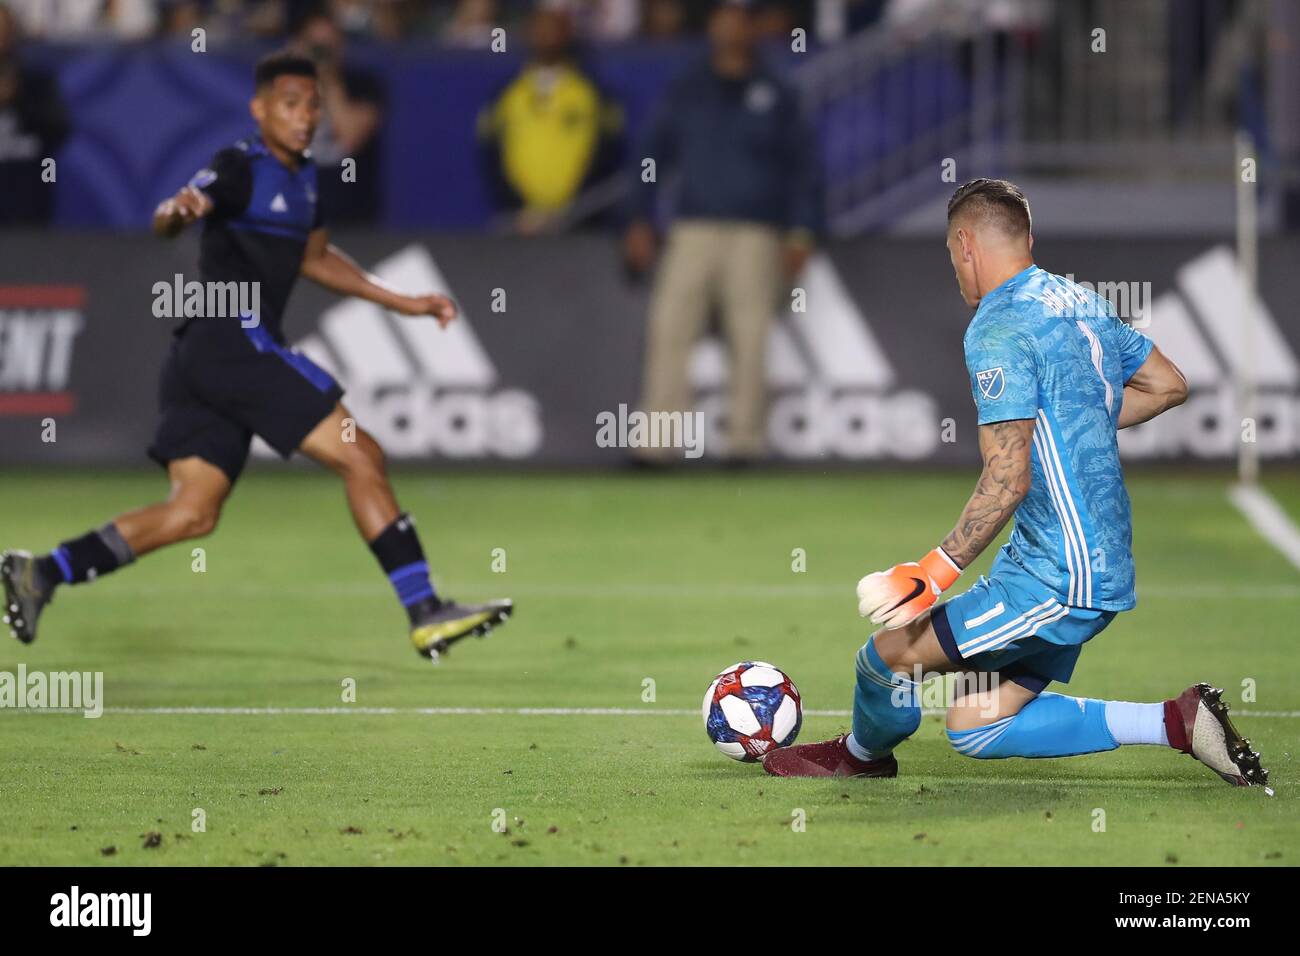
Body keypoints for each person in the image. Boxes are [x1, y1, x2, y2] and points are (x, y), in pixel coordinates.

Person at [1, 52, 512, 663]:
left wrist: (402, 302)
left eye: (312, 105)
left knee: (191, 514)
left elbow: (316, 259)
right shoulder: (240, 166)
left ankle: (43, 573)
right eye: (290, 105)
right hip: (231, 341)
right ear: (261, 108)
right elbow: (183, 209)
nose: (304, 117)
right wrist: (175, 212)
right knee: (361, 453)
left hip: (199, 359)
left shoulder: (304, 181)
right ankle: (426, 610)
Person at [763, 179, 1269, 789]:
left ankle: (861, 758)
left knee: (887, 658)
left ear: (965, 243)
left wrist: (934, 572)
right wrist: (1075, 418)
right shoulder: (1080, 301)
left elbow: (1007, 477)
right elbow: (1168, 384)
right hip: (1087, 558)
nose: (955, 270)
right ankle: (1179, 723)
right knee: (977, 724)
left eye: (952, 256)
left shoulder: (997, 326)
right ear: (1026, 240)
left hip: (1060, 576)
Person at [624, 0, 820, 463]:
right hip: (692, 230)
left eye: (741, 17)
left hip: (757, 232)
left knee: (749, 337)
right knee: (670, 330)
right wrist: (638, 216)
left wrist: (803, 231)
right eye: (723, 16)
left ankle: (744, 445)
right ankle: (656, 446)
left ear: (753, 26)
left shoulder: (778, 91)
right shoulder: (687, 88)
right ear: (712, 25)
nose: (731, 26)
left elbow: (804, 169)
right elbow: (650, 156)